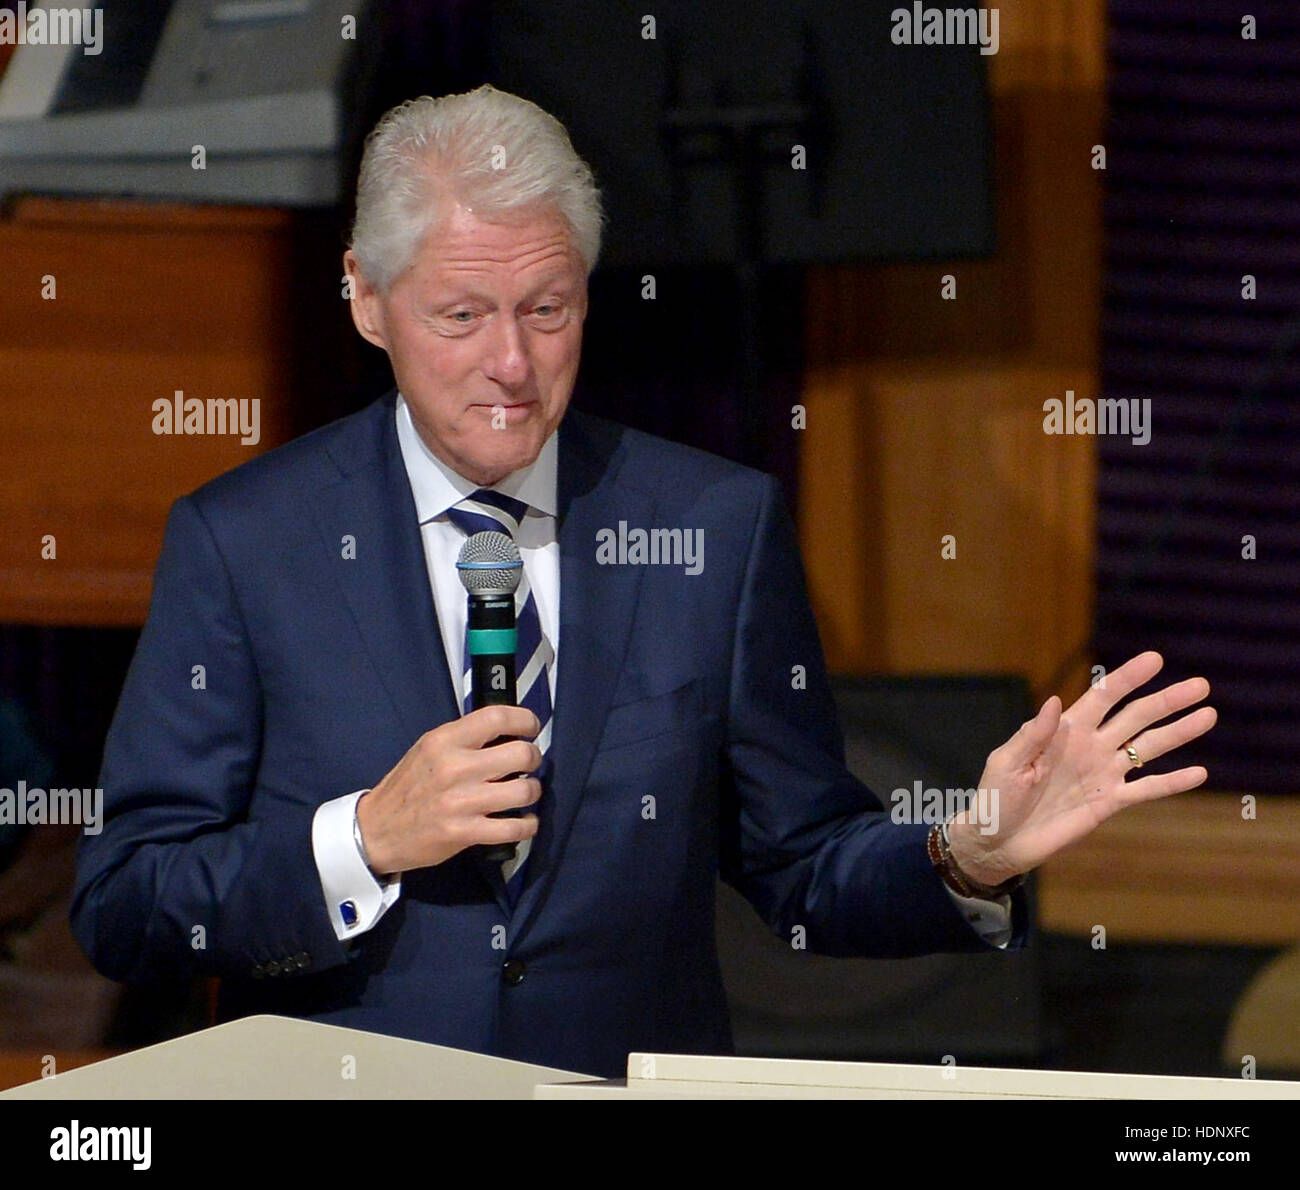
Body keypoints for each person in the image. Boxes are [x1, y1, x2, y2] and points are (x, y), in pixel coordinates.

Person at [71, 85, 1216, 1079]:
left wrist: (964, 851)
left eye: (548, 309)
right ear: (367, 298)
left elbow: (802, 864)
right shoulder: (246, 541)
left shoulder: (712, 526)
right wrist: (364, 836)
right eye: (461, 316)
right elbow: (127, 903)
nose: (511, 365)